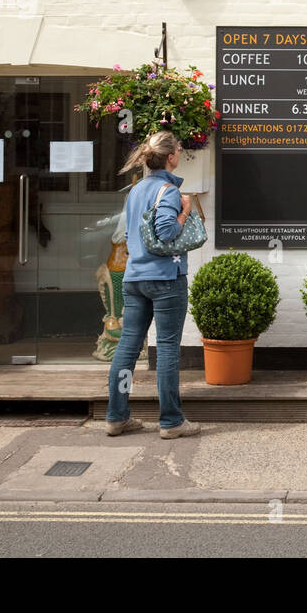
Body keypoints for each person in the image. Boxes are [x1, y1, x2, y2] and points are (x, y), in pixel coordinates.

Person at [105, 130, 201, 439]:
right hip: (165, 279)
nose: (181, 154)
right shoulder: (167, 190)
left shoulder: (136, 190)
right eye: (180, 151)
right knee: (169, 348)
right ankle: (171, 421)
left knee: (128, 347)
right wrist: (185, 211)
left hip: (135, 278)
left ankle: (116, 416)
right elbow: (166, 232)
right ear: (171, 157)